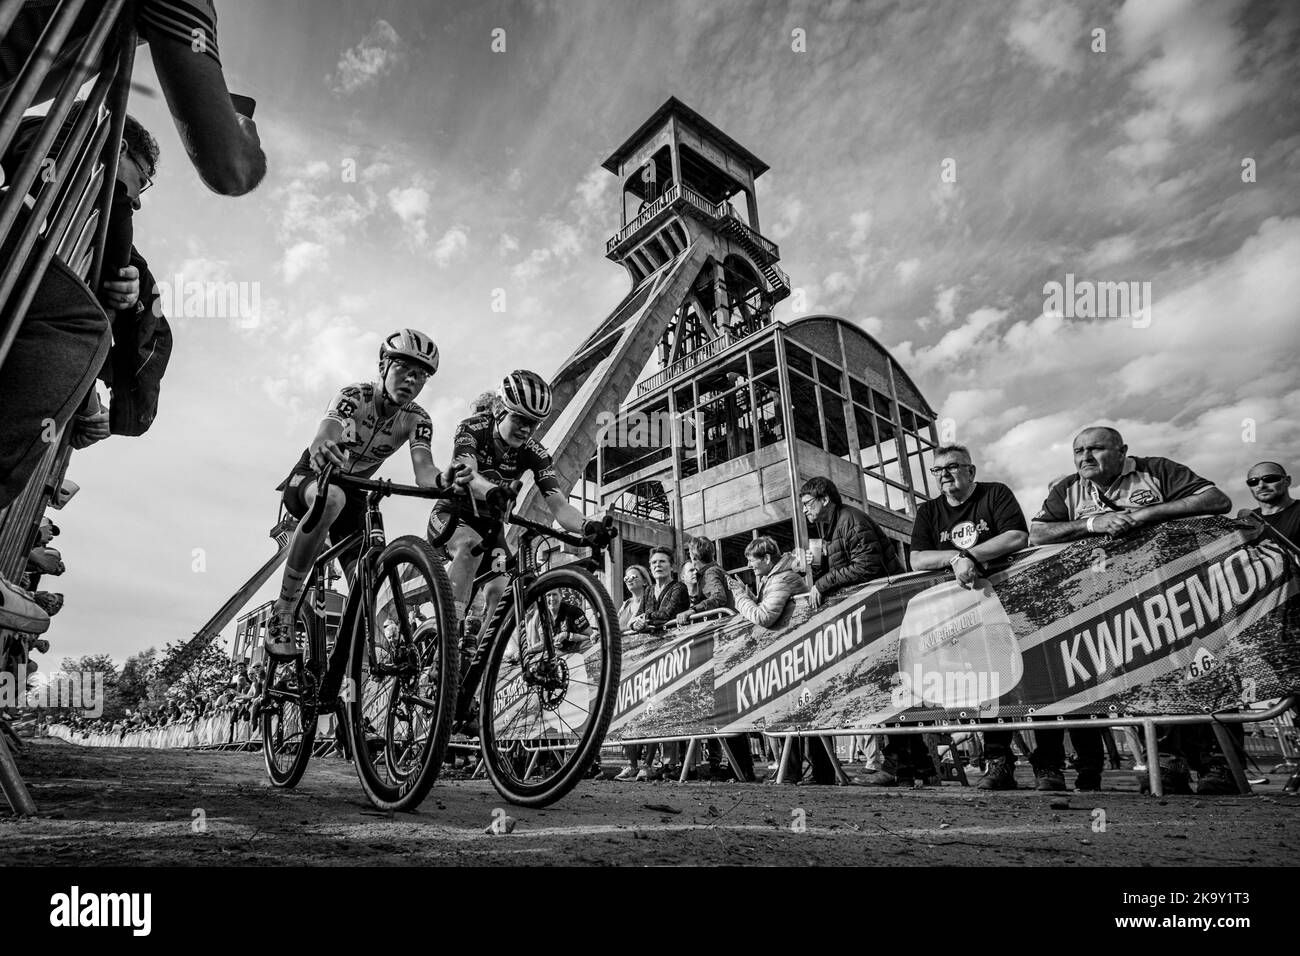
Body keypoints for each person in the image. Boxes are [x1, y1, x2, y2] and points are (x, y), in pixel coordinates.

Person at [1030, 426, 1233, 794]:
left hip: (1181, 592)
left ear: (1122, 451)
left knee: (1204, 668)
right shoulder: (1068, 489)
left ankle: (1217, 765)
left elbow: (1217, 500)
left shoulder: (1157, 469)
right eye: (1078, 451)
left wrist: (1144, 515)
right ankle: (1168, 764)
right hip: (1120, 604)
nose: (1085, 457)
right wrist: (1093, 523)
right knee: (1149, 679)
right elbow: (1038, 534)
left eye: (1096, 449)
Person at [432, 370, 614, 723]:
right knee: (470, 546)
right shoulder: (474, 427)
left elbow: (559, 505)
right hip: (454, 517)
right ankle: (447, 650)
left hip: (493, 527)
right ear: (501, 409)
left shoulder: (534, 451)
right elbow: (467, 469)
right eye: (520, 419)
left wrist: (588, 525)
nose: (526, 430)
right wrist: (491, 490)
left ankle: (473, 674)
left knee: (501, 588)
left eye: (534, 423)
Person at [265, 329, 457, 655]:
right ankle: (285, 608)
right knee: (333, 498)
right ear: (383, 365)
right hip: (315, 474)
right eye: (404, 370)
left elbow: (424, 471)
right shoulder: (355, 395)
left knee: (369, 571)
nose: (412, 381)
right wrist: (325, 446)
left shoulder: (418, 419)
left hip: (356, 493)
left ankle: (363, 656)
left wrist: (447, 479)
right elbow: (326, 433)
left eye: (421, 376)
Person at [907, 444, 1042, 789]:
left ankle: (1047, 765)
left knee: (1032, 681)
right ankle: (998, 762)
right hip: (961, 615)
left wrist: (971, 556)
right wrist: (957, 559)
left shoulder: (994, 494)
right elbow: (918, 559)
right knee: (986, 687)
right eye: (938, 470)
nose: (944, 475)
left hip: (1012, 604)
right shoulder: (929, 512)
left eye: (953, 467)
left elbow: (1016, 535)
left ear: (971, 471)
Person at [729, 536, 807, 629]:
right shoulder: (772, 577)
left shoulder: (781, 579)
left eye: (751, 560)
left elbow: (763, 617)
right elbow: (767, 606)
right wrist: (746, 594)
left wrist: (740, 596)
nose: (748, 565)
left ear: (766, 558)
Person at [1244, 462, 1299, 546]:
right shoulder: (1245, 521)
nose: (1261, 485)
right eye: (1253, 482)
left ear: (1287, 481)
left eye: (1269, 479)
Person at [617, 565, 651, 632]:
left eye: (633, 577)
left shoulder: (650, 601)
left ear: (644, 581)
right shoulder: (626, 604)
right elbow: (613, 626)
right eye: (626, 578)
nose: (629, 580)